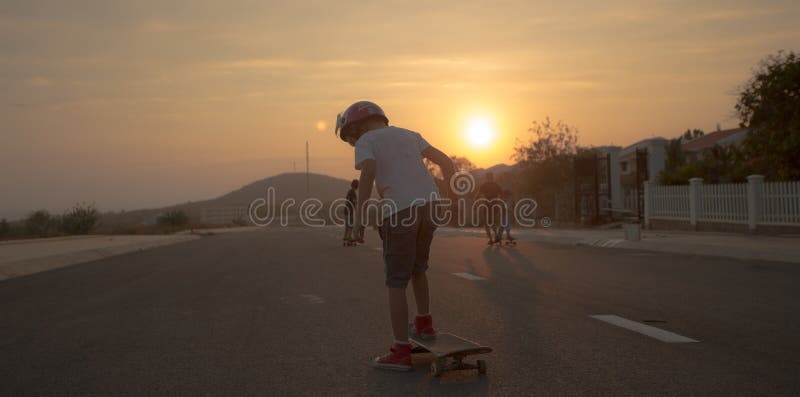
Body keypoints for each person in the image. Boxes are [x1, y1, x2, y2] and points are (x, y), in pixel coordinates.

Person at [335, 100, 455, 371]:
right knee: (418, 269)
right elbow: (446, 162)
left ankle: (401, 350)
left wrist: (360, 220)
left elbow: (368, 173)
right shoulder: (410, 135)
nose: (354, 144)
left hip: (399, 209)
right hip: (430, 205)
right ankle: (424, 324)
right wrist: (455, 198)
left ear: (357, 128)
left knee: (396, 280)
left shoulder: (368, 140)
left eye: (351, 139)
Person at [474, 172, 503, 244]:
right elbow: (501, 194)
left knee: (486, 223)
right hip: (495, 205)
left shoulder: (484, 185)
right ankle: (496, 236)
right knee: (492, 222)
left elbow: (478, 195)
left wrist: (475, 199)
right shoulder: (496, 185)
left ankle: (491, 239)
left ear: (486, 177)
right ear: (492, 177)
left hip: (487, 205)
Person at [342, 179, 359, 244]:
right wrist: (356, 209)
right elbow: (354, 202)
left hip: (346, 210)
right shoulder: (353, 192)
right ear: (357, 186)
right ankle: (349, 237)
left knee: (347, 225)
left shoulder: (349, 191)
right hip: (350, 210)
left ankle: (345, 237)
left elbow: (348, 200)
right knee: (350, 225)